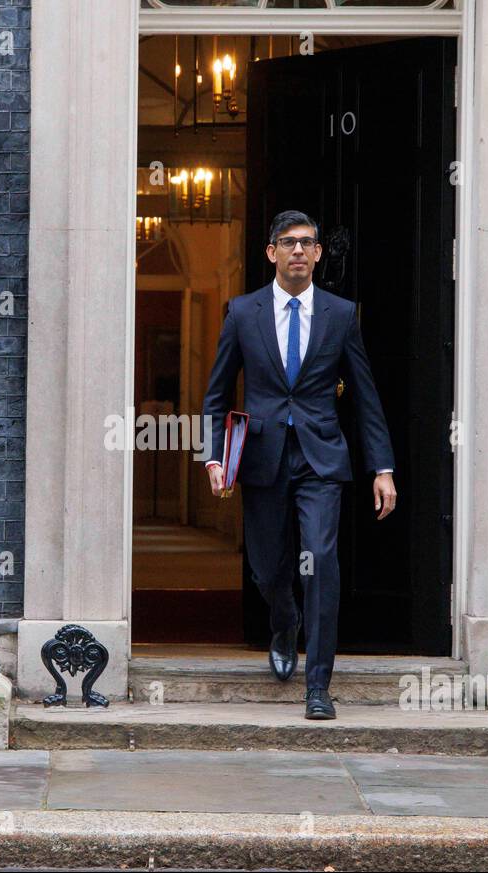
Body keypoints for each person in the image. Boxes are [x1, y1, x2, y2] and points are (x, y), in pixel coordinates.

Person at [202, 210, 397, 720]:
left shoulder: (340, 314)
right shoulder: (242, 312)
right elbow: (217, 394)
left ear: (318, 254)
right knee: (268, 569)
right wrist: (214, 456)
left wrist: (382, 468)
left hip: (321, 459)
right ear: (271, 252)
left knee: (321, 562)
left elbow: (365, 396)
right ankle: (284, 620)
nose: (297, 251)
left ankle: (318, 686)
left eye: (307, 243)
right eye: (288, 242)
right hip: (262, 457)